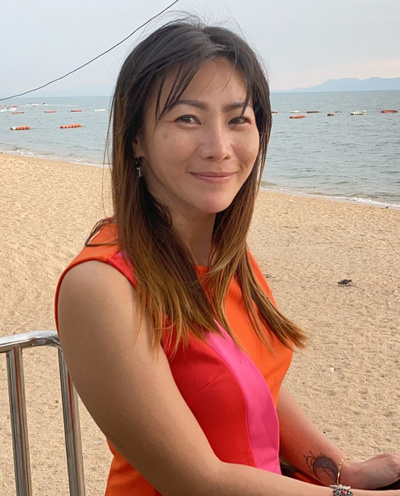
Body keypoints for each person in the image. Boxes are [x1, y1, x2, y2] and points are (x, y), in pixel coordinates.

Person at [55, 19, 400, 496]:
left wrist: (341, 471)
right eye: (187, 119)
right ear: (136, 138)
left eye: (238, 120)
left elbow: (252, 384)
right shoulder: (102, 286)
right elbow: (197, 480)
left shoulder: (227, 257)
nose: (219, 148)